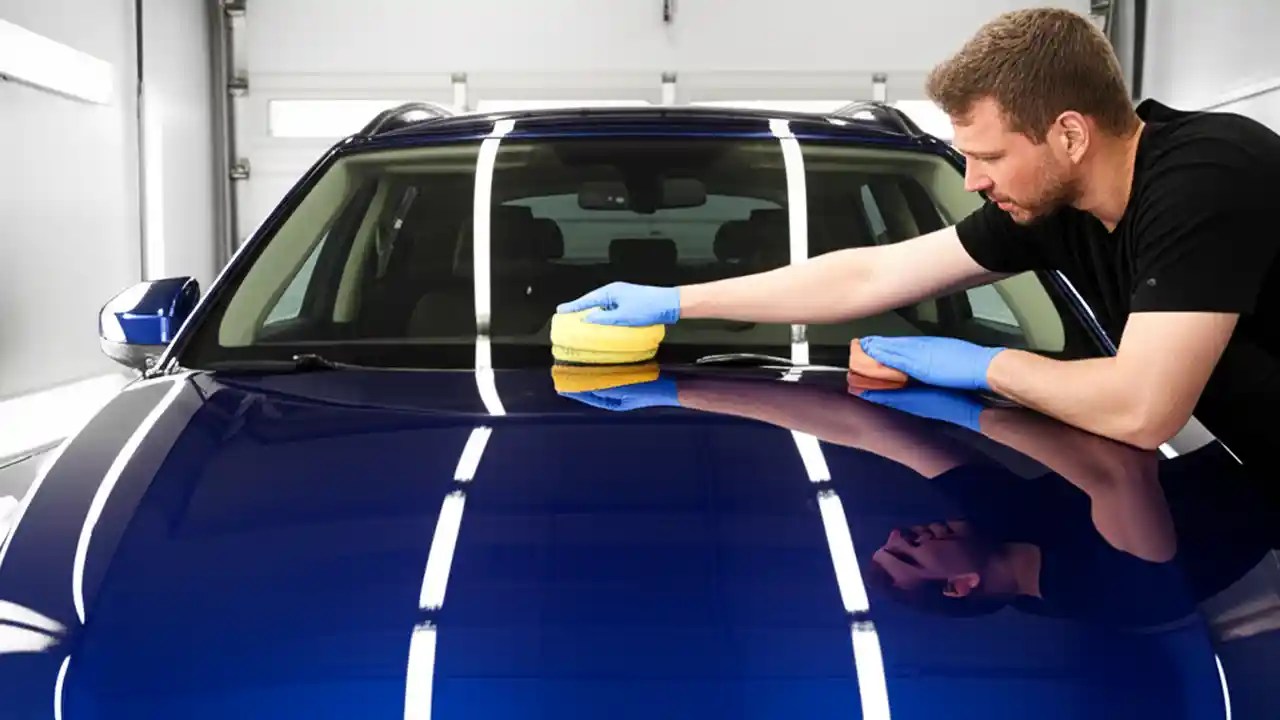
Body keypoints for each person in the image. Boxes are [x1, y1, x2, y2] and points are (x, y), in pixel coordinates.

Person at [556, 7, 1280, 472]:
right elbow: (870, 277)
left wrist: (984, 364)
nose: (971, 181)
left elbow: (1142, 409)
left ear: (1068, 134)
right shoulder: (1054, 203)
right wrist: (677, 300)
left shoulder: (1205, 177)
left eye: (988, 157)